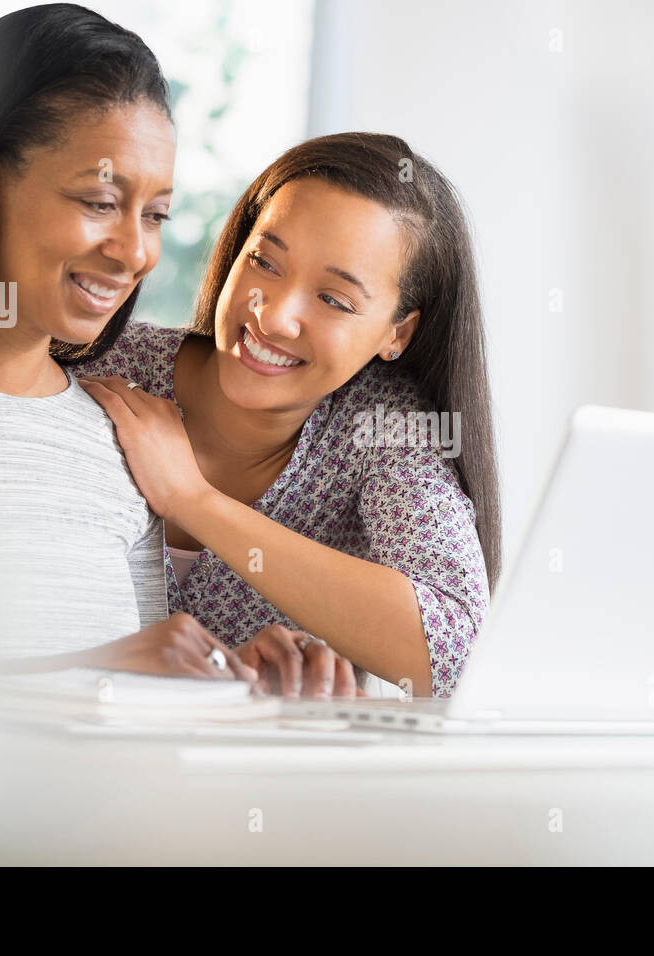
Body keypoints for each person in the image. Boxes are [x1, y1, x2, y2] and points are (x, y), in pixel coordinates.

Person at [0, 4, 360, 695]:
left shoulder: (119, 440)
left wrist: (234, 687)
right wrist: (84, 672)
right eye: (99, 201)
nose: (134, 253)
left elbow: (124, 708)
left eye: (154, 215)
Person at [77, 133, 501, 698]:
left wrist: (192, 500)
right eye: (265, 262)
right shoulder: (99, 364)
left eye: (335, 300)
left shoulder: (380, 430)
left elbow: (454, 650)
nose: (274, 317)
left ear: (396, 332)